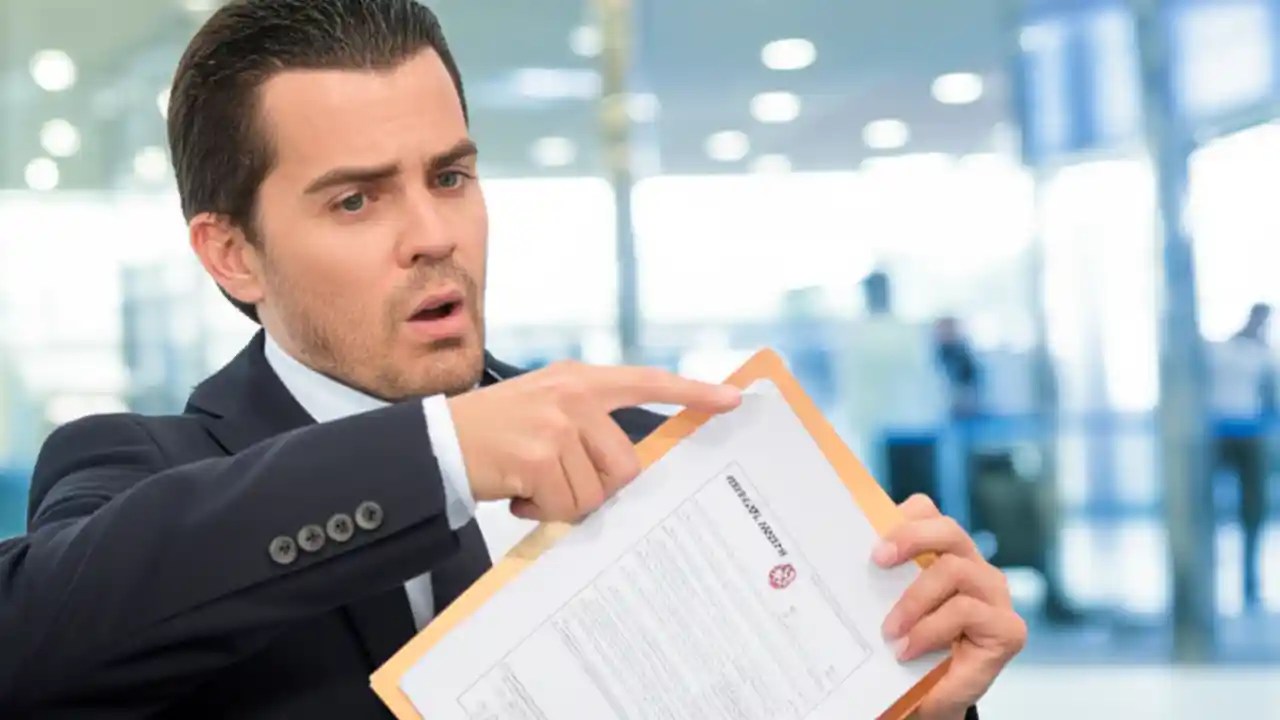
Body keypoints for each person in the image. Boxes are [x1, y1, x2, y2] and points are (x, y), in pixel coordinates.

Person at [0, 2, 1025, 718]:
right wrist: (439, 455)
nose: (431, 233)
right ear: (231, 252)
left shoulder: (643, 457)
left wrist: (906, 699)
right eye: (356, 199)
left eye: (450, 176)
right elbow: (36, 647)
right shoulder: (141, 466)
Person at [1209, 302, 1276, 610]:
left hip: (1251, 436)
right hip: (1220, 435)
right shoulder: (1222, 352)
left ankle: (1250, 584)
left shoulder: (1264, 356)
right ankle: (1206, 578)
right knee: (1206, 508)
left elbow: (1270, 397)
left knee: (1253, 510)